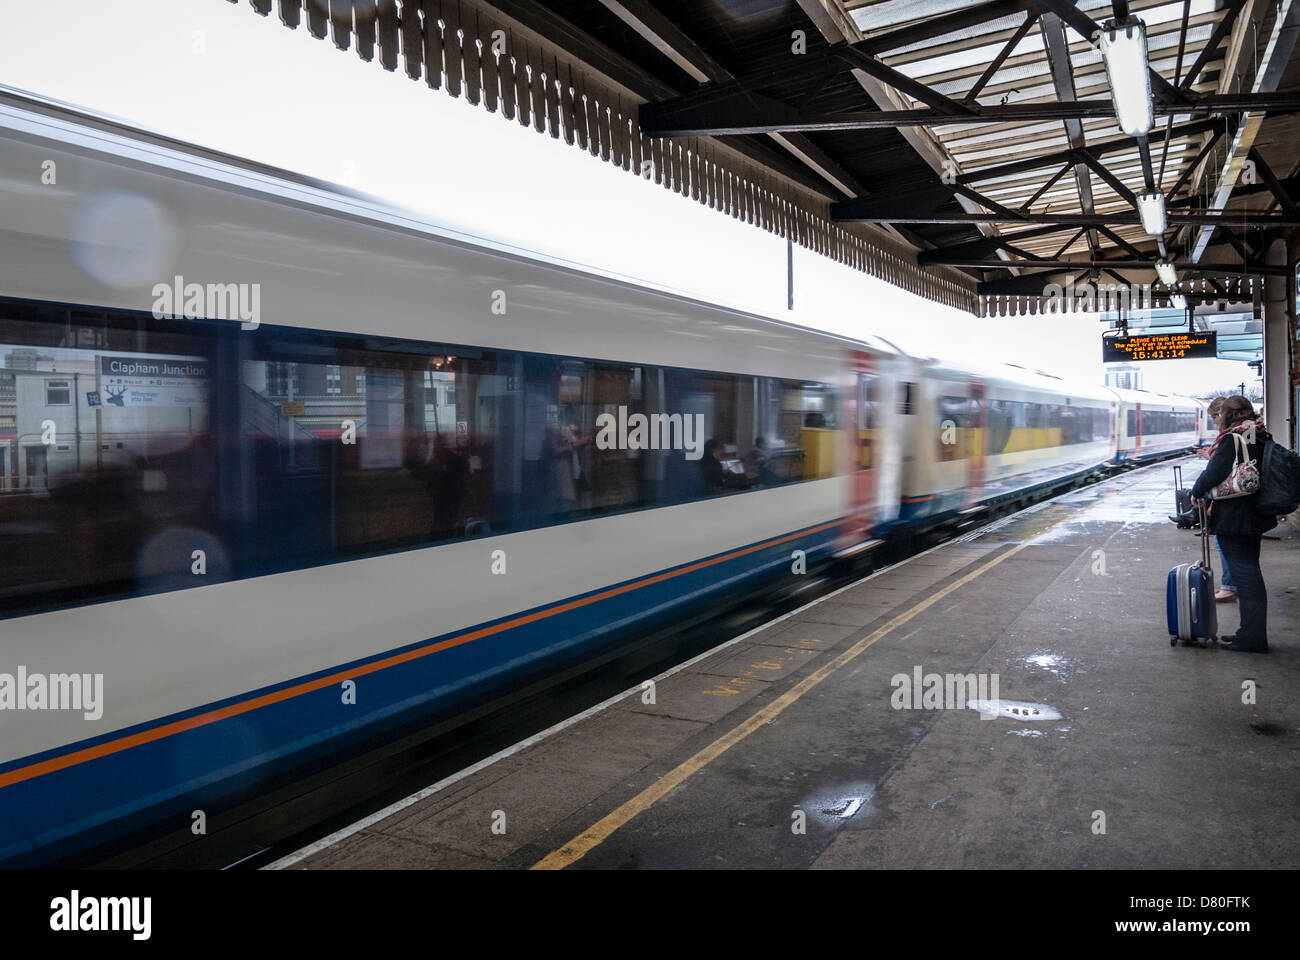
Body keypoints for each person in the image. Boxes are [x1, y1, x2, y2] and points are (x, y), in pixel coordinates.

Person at [1190, 396, 1275, 652]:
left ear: (1226, 415)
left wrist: (1196, 491)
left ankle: (1253, 639)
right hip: (1254, 513)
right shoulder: (1257, 433)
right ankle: (1248, 632)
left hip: (1235, 516)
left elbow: (1215, 472)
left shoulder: (1231, 438)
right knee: (1250, 573)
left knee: (1246, 577)